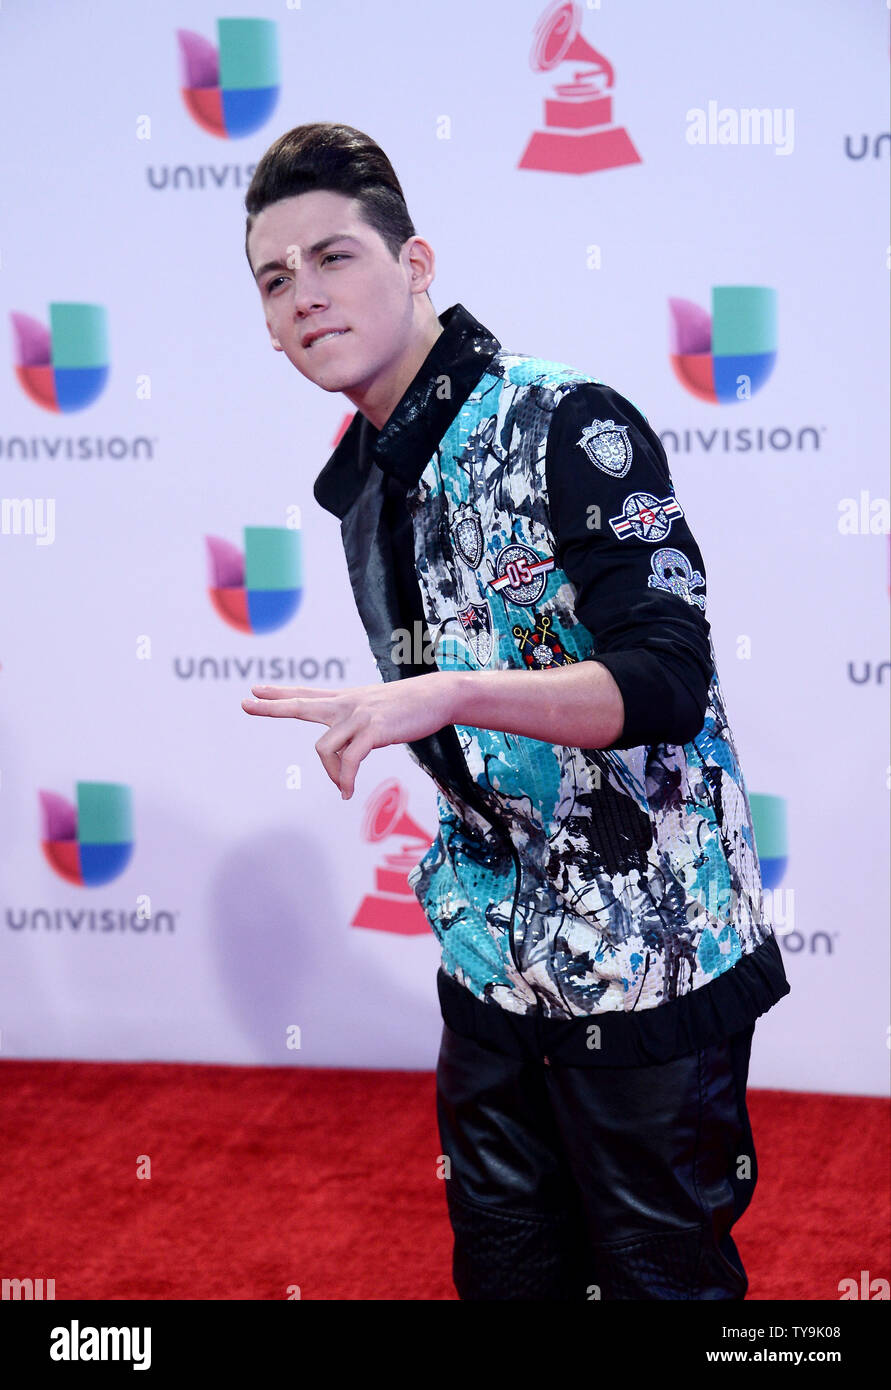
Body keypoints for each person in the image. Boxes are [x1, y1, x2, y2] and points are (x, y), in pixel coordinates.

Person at [240, 122, 791, 1301]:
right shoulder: (365, 478)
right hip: (488, 957)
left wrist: (451, 693)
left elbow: (667, 682)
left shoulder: (566, 423)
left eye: (334, 259)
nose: (304, 298)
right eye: (274, 280)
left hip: (650, 961)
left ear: (418, 263)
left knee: (659, 1288)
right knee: (506, 1277)